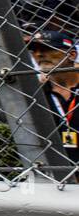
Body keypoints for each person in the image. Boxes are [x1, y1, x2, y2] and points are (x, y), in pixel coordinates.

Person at [29, 31, 79, 159]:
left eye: (48, 49)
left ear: (72, 55)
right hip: (59, 168)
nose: (39, 54)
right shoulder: (36, 94)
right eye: (34, 50)